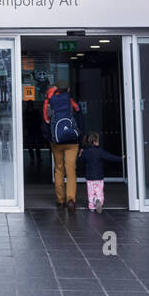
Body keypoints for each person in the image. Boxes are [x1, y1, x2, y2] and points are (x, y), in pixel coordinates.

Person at [44, 83, 85, 211]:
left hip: (56, 141)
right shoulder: (71, 102)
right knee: (71, 169)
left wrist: (50, 139)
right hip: (72, 141)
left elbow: (45, 123)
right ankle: (71, 199)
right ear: (67, 89)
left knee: (59, 169)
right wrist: (81, 141)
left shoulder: (50, 103)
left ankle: (60, 200)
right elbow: (81, 121)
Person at [79, 133, 108, 214]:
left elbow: (81, 162)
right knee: (99, 191)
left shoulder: (85, 152)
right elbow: (109, 156)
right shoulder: (100, 151)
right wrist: (121, 158)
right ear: (95, 142)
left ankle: (92, 206)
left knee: (91, 192)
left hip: (89, 177)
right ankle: (98, 200)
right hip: (99, 176)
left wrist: (80, 155)